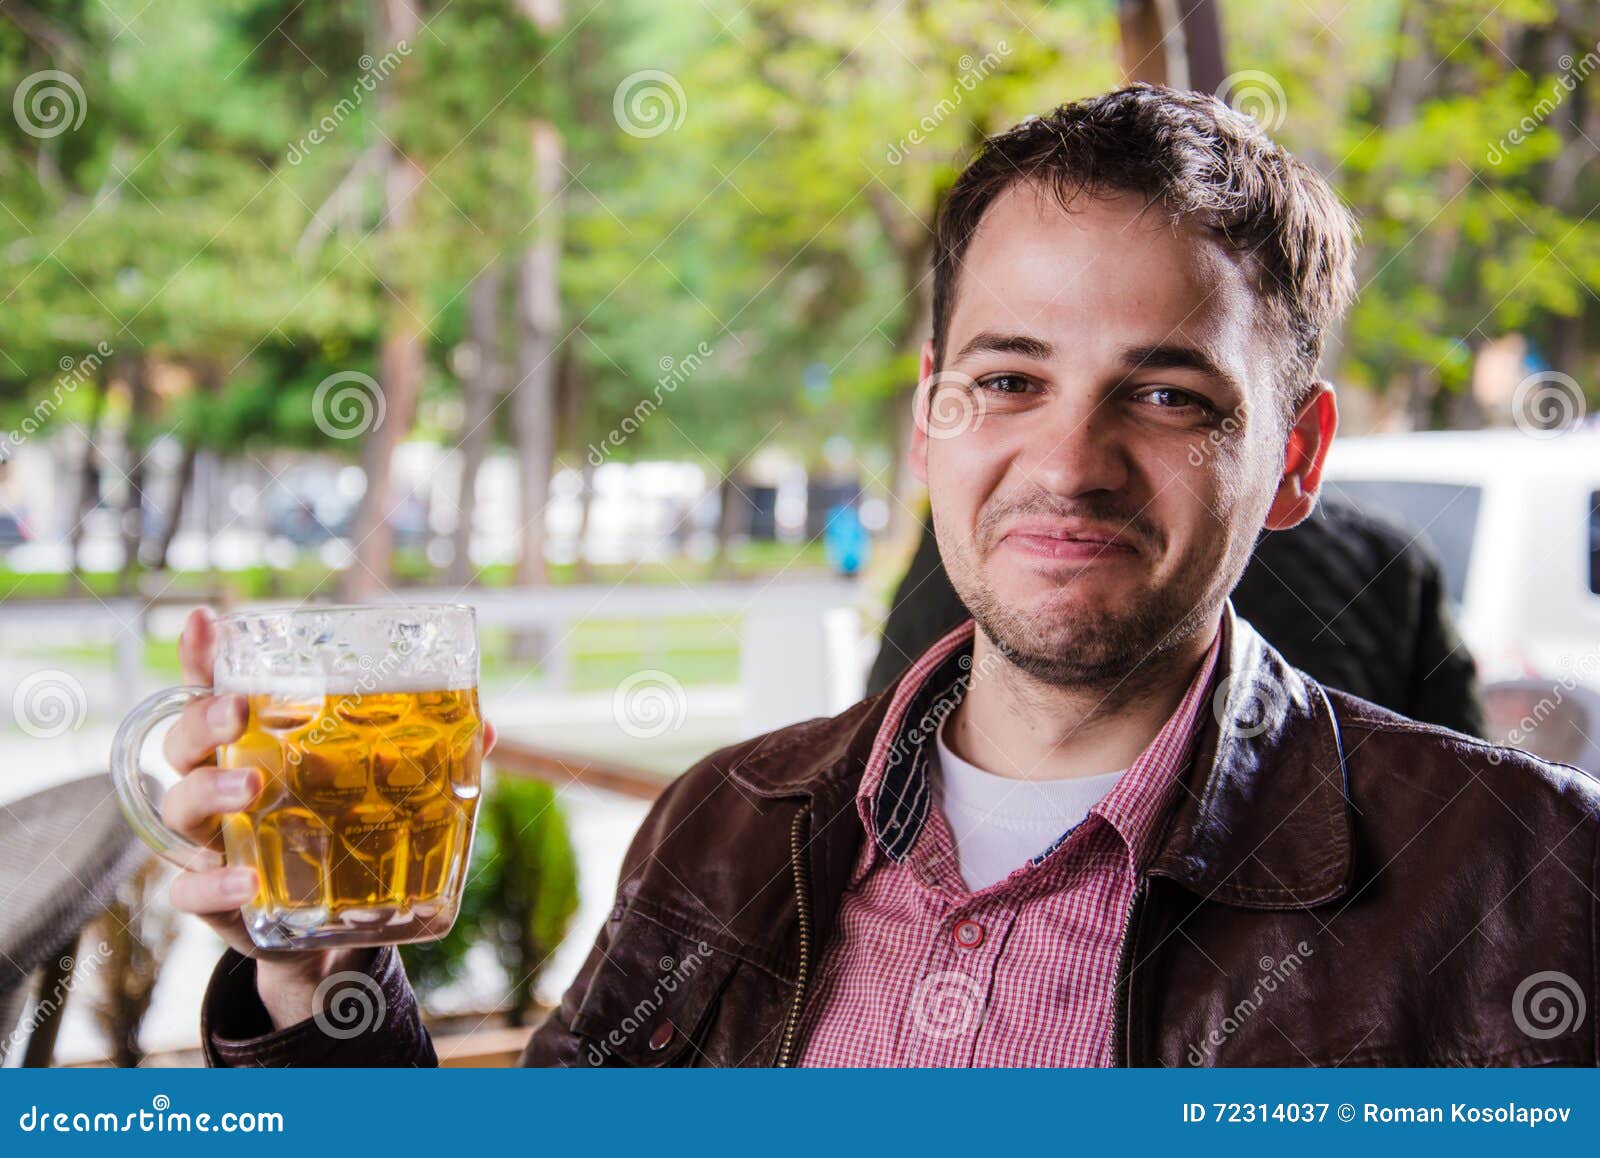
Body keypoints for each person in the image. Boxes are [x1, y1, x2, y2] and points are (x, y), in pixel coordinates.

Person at [169, 85, 1599, 1066]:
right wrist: (317, 969)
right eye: (1009, 377)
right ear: (931, 421)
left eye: (1166, 394)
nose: (1071, 458)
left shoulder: (1526, 886)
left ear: (1296, 455)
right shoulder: (721, 829)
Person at [868, 493, 1487, 738]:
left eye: (1170, 397)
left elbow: (884, 722)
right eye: (1010, 383)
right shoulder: (1389, 558)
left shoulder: (1001, 540)